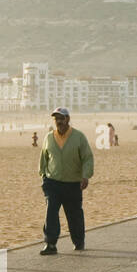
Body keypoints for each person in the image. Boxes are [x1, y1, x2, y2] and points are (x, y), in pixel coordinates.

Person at [39, 107, 94, 255]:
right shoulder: (49, 137)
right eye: (56, 119)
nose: (59, 122)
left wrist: (85, 175)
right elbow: (44, 157)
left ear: (68, 119)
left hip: (72, 183)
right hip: (53, 182)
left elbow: (87, 158)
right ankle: (50, 244)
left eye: (61, 118)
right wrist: (43, 175)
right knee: (51, 212)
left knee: (74, 214)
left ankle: (78, 241)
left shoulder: (78, 137)